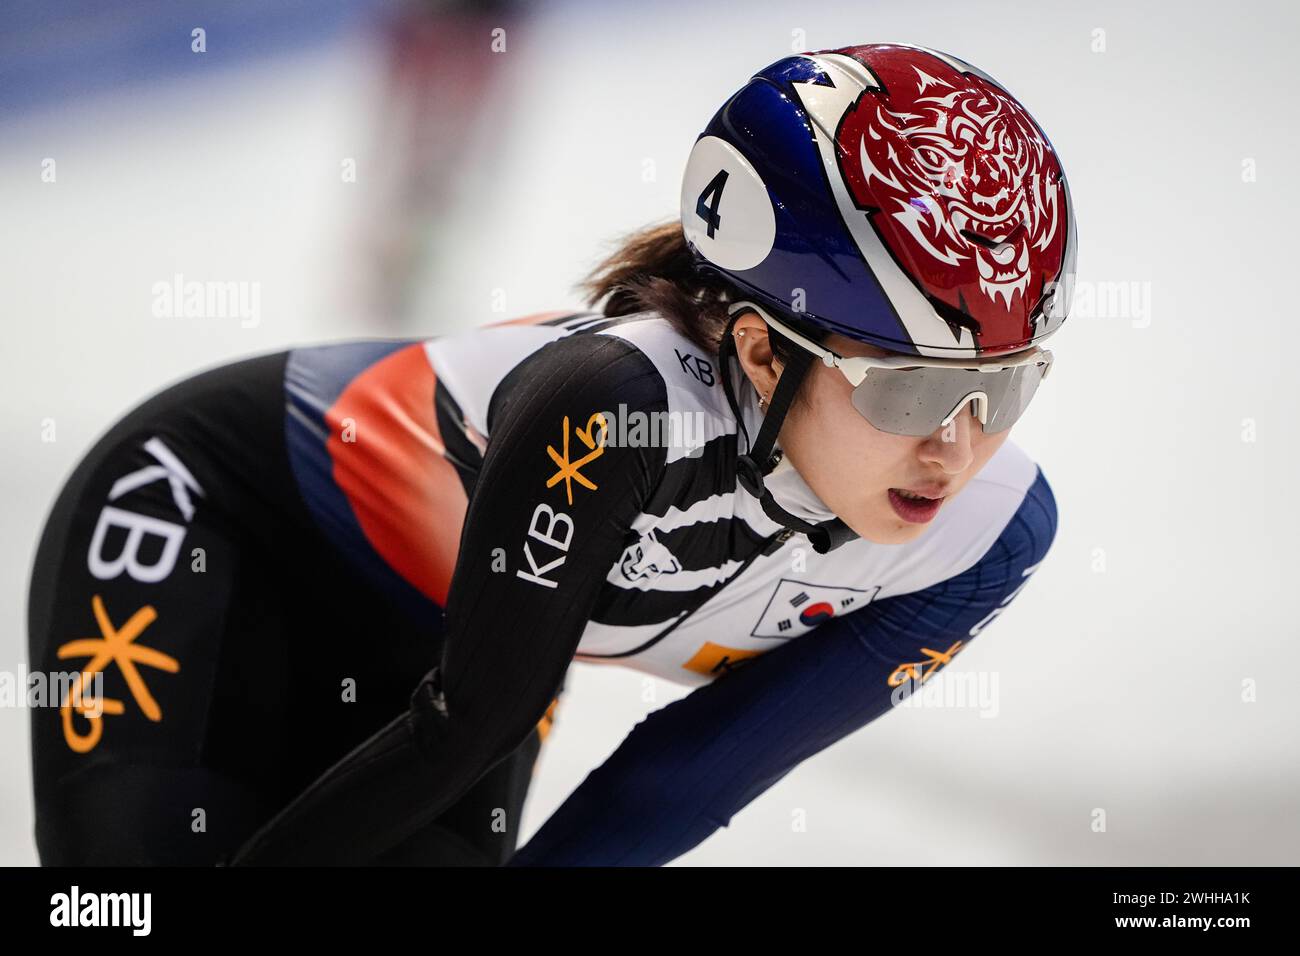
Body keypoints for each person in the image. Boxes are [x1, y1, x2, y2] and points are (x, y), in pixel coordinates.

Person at [27, 41, 1075, 866]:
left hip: (448, 645)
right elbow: (466, 723)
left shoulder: (986, 536)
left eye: (1004, 387)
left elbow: (682, 782)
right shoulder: (615, 406)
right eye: (916, 385)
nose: (957, 444)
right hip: (225, 521)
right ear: (760, 351)